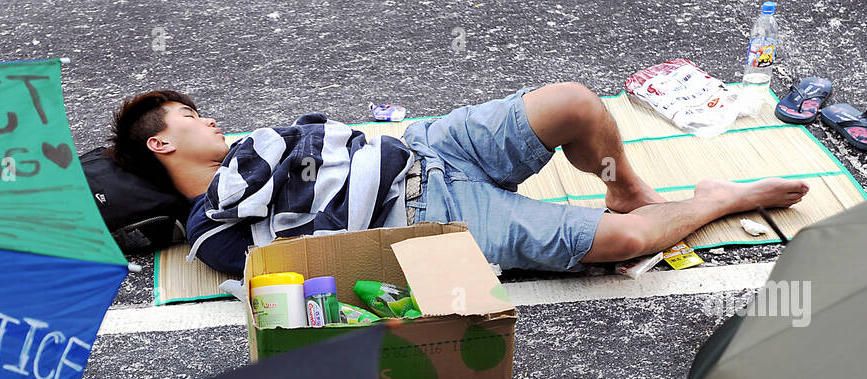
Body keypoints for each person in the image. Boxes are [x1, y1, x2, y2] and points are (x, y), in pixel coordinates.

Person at [107, 84, 808, 276]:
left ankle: (622, 180)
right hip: (432, 218)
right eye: (191, 115)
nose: (209, 118)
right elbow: (298, 273)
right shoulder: (213, 230)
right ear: (163, 140)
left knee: (575, 104)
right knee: (623, 241)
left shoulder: (259, 145)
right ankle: (717, 200)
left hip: (425, 145)